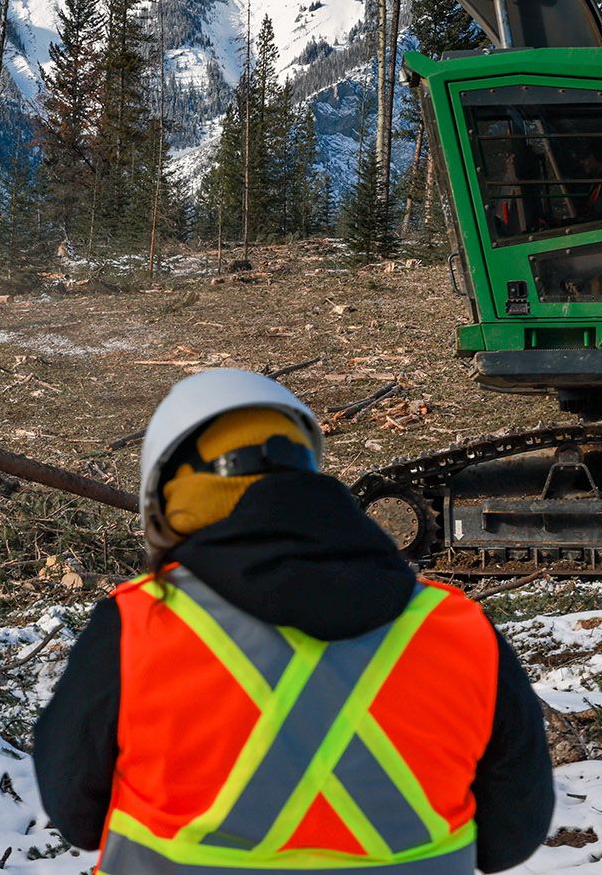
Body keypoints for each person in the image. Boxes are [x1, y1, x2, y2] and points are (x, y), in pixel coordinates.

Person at [32, 368, 554, 875]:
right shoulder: (458, 629)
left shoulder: (137, 626)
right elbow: (510, 839)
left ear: (169, 501)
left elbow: (76, 815)